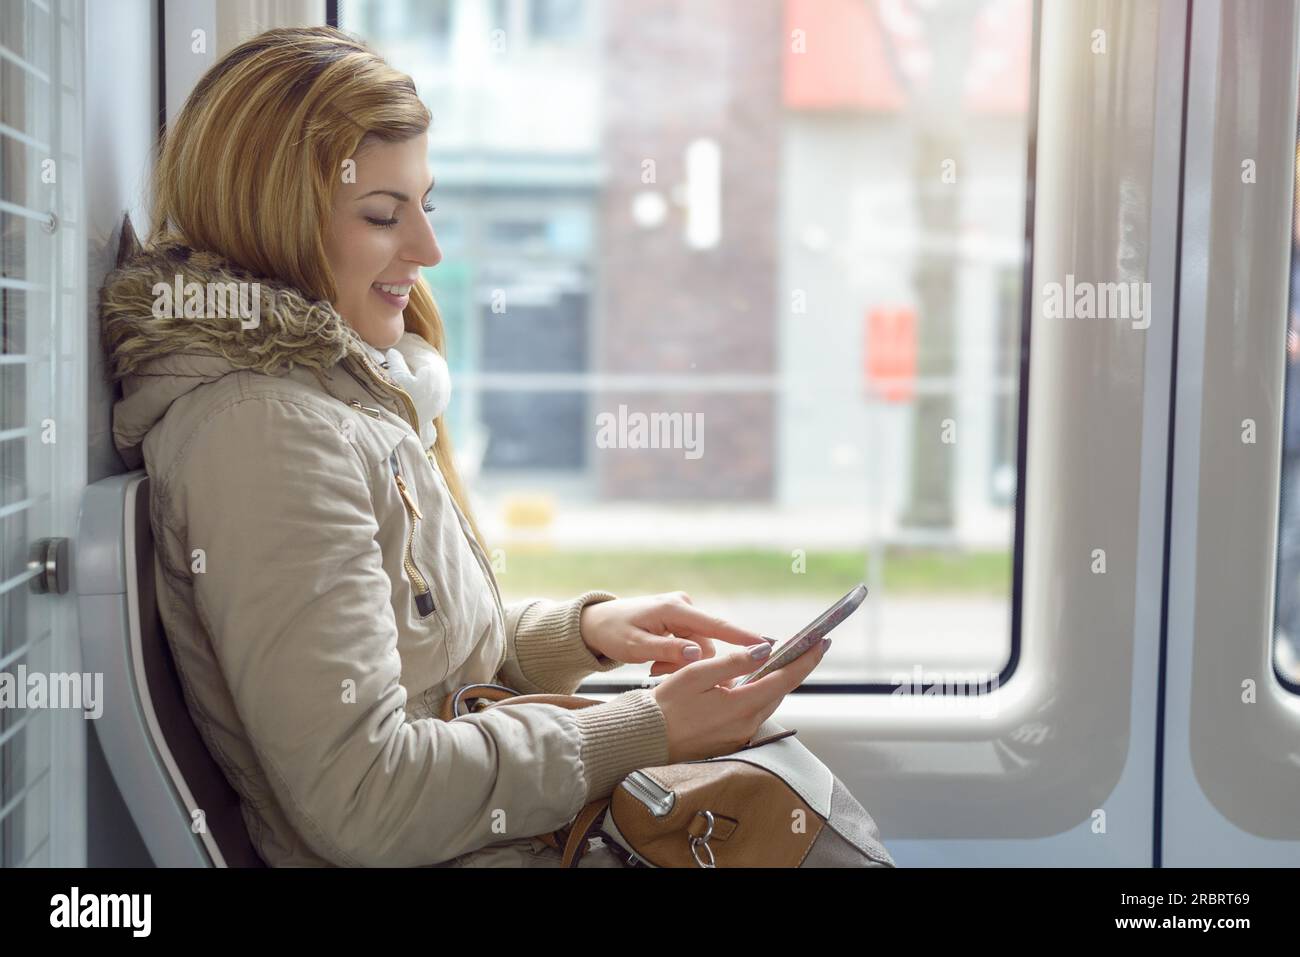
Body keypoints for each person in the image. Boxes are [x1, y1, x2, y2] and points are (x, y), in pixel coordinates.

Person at [99, 26, 828, 867]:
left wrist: (582, 632)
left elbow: (424, 669)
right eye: (382, 215)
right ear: (272, 221)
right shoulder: (267, 437)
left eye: (426, 205)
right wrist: (647, 728)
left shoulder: (341, 401)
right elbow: (366, 793)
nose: (428, 250)